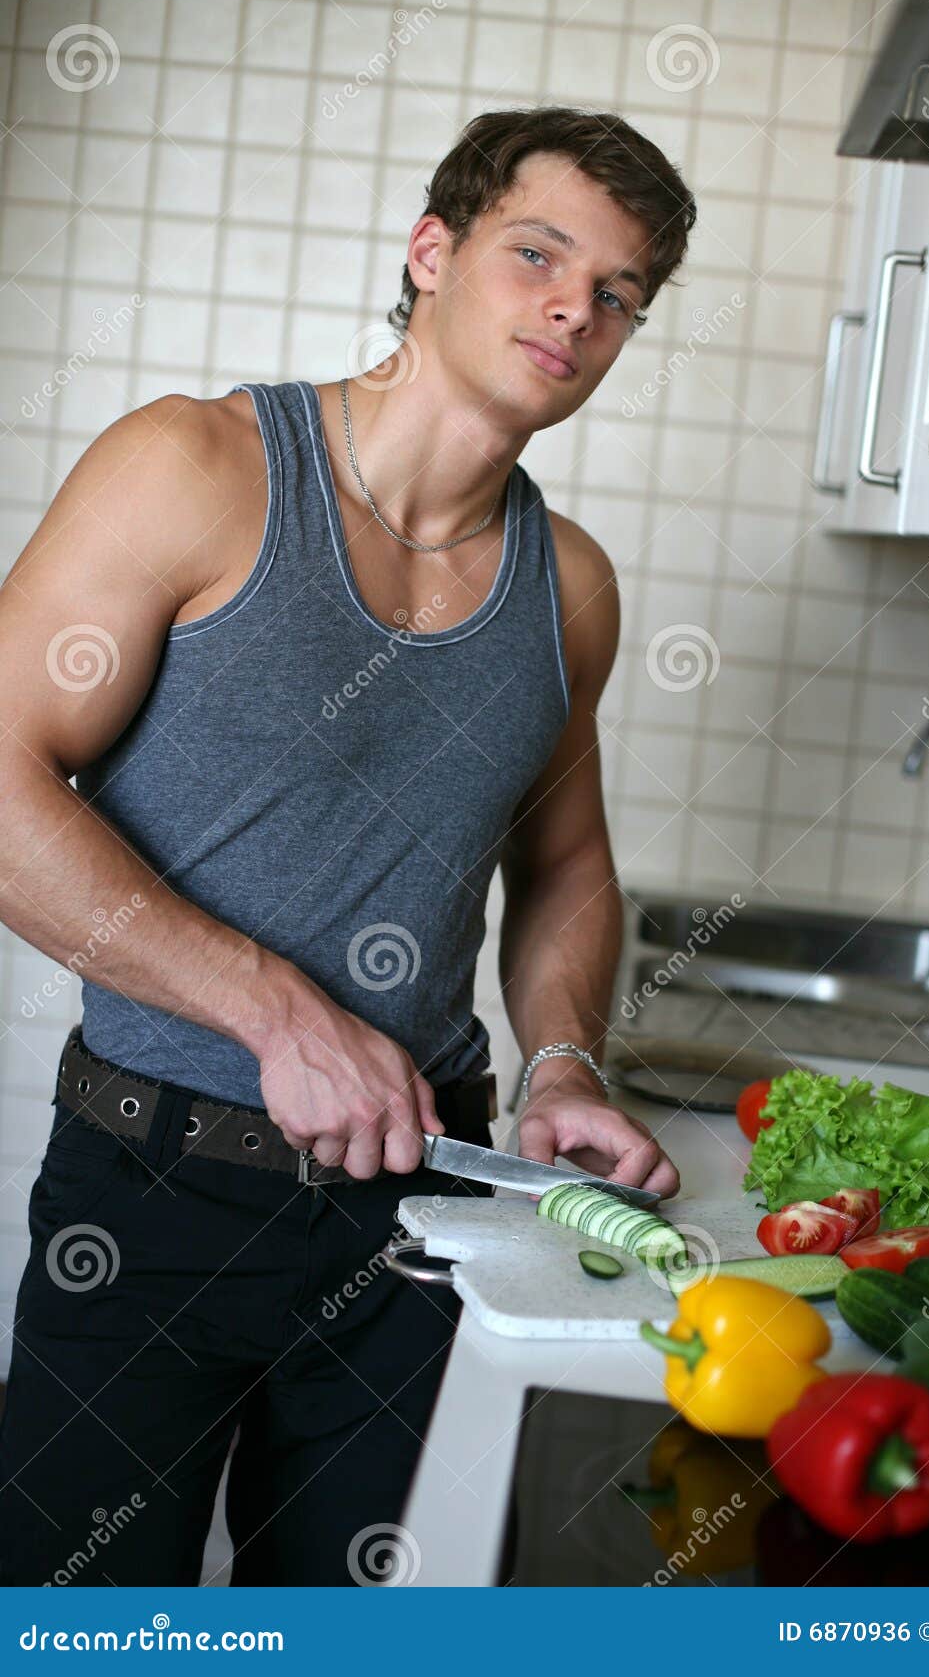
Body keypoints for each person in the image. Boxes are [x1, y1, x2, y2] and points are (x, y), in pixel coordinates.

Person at [0, 106, 694, 1585]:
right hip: (151, 1195)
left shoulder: (569, 585)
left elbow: (565, 866)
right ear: (430, 250)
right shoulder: (195, 468)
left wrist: (566, 1061)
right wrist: (275, 1010)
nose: (577, 308)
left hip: (421, 1225)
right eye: (538, 255)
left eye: (619, 292)